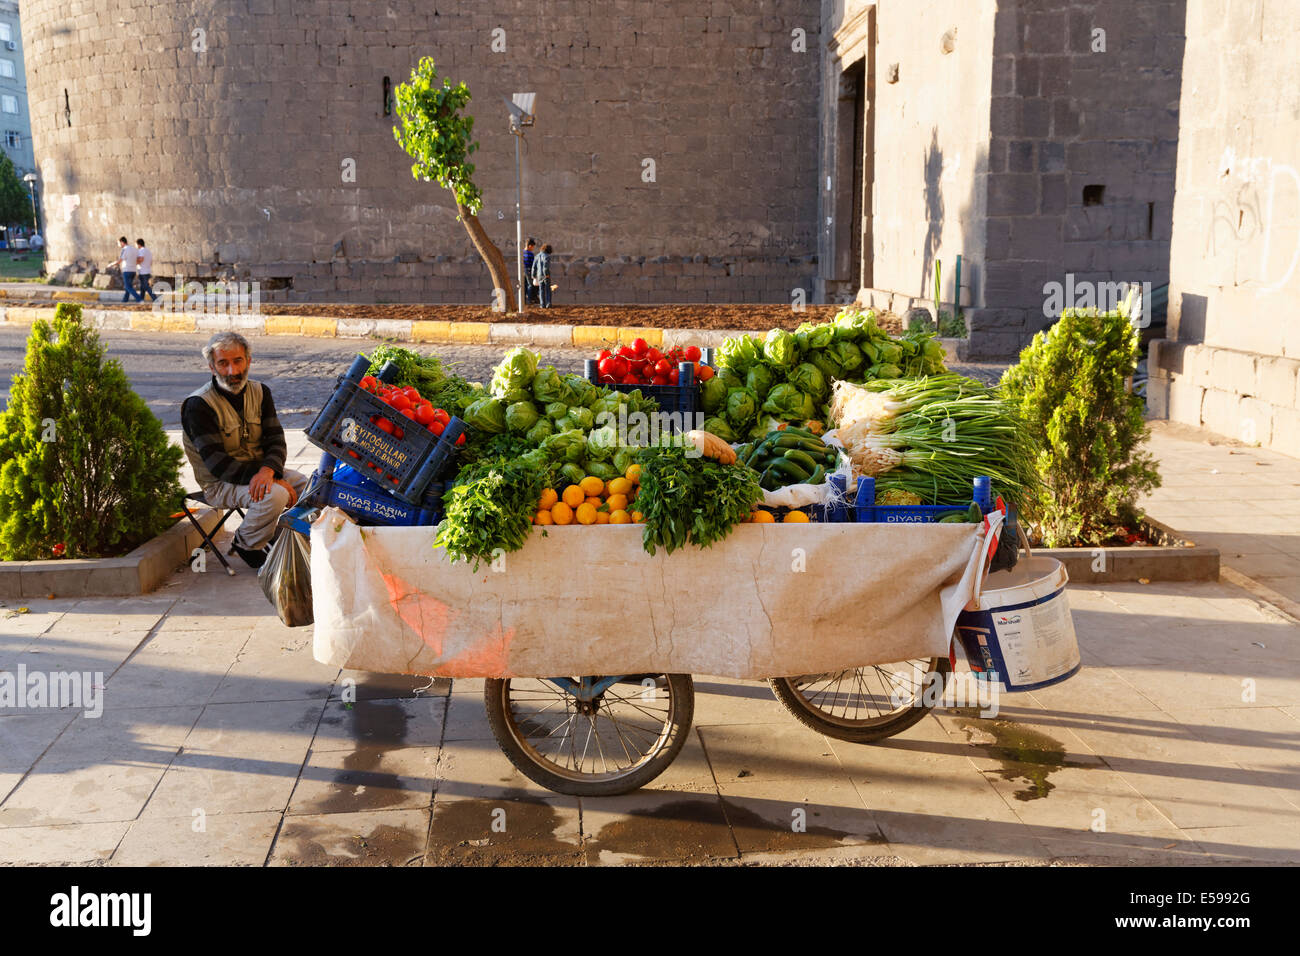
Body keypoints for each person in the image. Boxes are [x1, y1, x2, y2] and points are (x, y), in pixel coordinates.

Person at [180, 332, 309, 569]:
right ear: (212, 367)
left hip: (261, 474)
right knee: (275, 495)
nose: (232, 371)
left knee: (309, 487)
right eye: (223, 363)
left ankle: (281, 537)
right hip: (220, 484)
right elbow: (218, 464)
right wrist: (272, 480)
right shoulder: (198, 405)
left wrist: (270, 471)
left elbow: (276, 441)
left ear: (249, 361)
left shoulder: (261, 392)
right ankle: (246, 543)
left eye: (238, 361)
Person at [117, 236, 142, 302]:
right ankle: (125, 300)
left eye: (118, 243)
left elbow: (120, 260)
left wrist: (111, 264)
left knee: (128, 287)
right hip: (133, 270)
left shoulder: (124, 249)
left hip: (127, 270)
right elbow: (138, 259)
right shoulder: (134, 249)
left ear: (122, 242)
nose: (118, 245)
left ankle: (139, 298)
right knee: (129, 286)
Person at [531, 243, 553, 308]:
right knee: (548, 290)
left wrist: (533, 275)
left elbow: (534, 267)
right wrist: (547, 274)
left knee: (541, 290)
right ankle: (548, 303)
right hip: (545, 275)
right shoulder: (547, 256)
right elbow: (545, 266)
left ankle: (542, 304)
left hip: (539, 275)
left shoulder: (537, 256)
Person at [522, 237, 538, 305]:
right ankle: (529, 299)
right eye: (533, 247)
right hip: (529, 270)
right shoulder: (530, 254)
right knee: (530, 285)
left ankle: (524, 300)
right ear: (530, 246)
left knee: (525, 285)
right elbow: (533, 264)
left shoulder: (522, 253)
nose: (533, 248)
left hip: (523, 270)